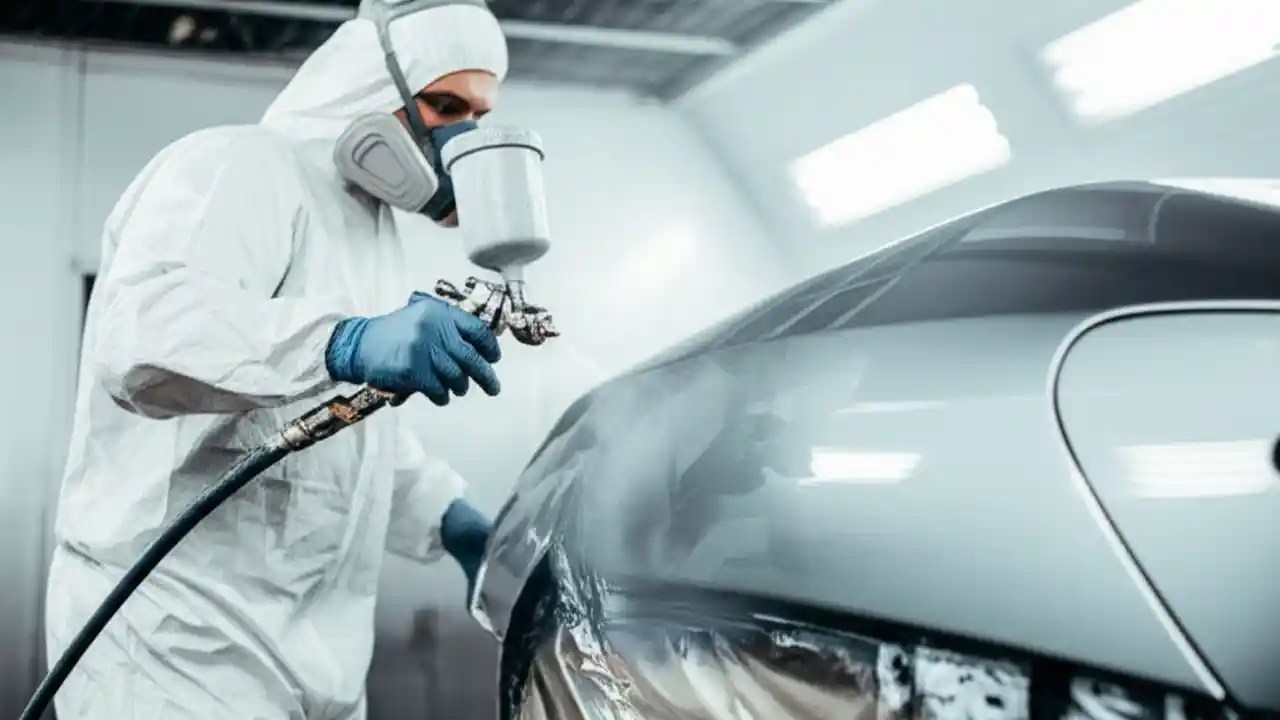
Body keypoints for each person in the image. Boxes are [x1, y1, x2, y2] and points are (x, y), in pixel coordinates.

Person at [45, 1, 509, 717]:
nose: (462, 137)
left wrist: (454, 521)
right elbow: (141, 335)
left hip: (314, 666)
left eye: (478, 113)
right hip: (172, 651)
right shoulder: (238, 166)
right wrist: (343, 340)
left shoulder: (371, 236)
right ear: (369, 92)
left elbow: (346, 435)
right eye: (445, 104)